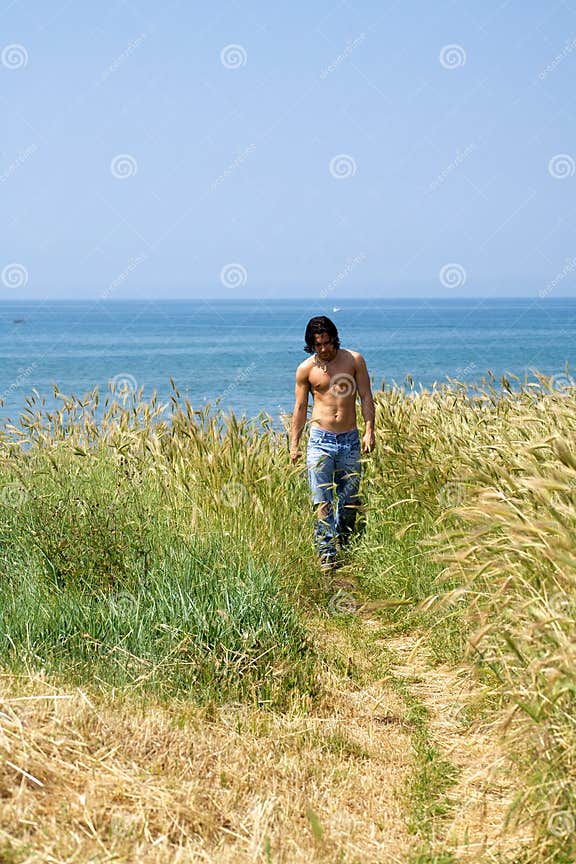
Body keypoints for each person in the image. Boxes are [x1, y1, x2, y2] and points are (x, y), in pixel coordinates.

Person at [290, 316, 375, 572]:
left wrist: (369, 430)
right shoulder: (305, 369)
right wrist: (294, 444)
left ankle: (344, 541)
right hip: (320, 441)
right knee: (322, 500)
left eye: (327, 343)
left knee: (349, 500)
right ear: (311, 344)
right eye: (318, 345)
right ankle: (327, 554)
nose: (324, 349)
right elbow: (301, 407)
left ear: (334, 338)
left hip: (349, 438)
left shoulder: (354, 360)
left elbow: (366, 396)